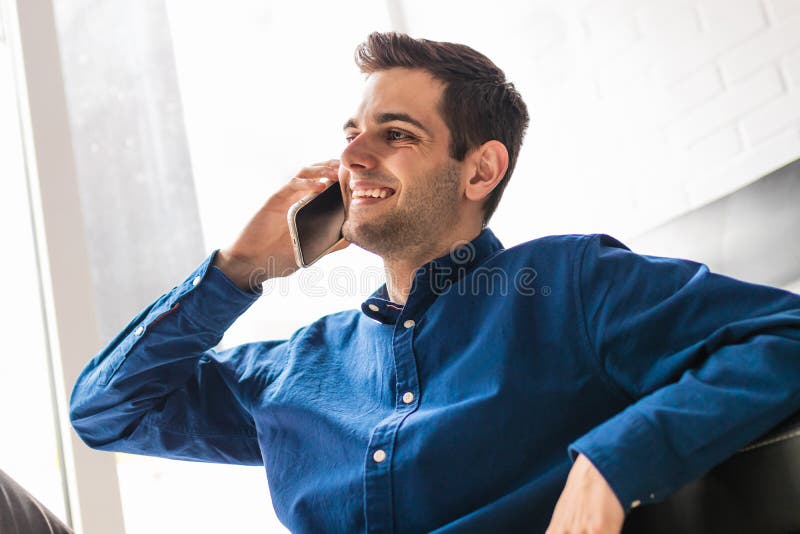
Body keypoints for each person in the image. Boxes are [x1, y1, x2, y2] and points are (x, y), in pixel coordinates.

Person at [69, 32, 800, 533]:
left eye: (396, 133)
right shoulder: (294, 368)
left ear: (480, 169)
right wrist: (235, 272)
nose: (352, 153)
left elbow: (784, 336)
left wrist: (612, 461)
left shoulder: (567, 283)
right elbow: (106, 413)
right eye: (350, 131)